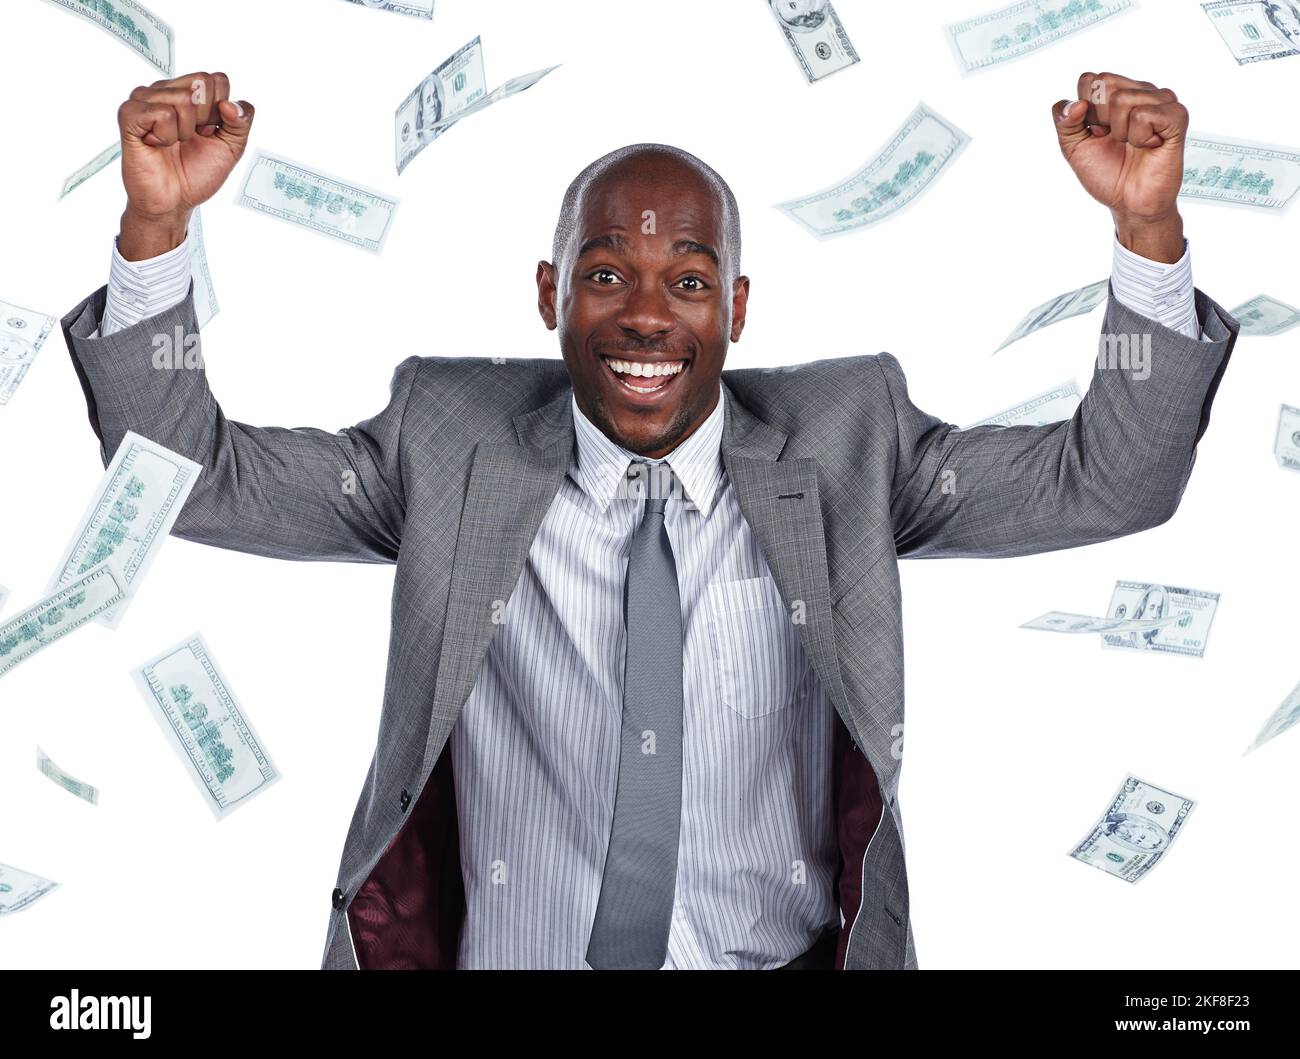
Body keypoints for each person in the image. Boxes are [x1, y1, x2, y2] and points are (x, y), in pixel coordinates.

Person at [60, 69, 1239, 970]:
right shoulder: (445, 438)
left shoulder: (849, 443)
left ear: (733, 307)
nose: (644, 317)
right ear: (548, 293)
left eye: (685, 280)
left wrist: (1145, 242)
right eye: (605, 273)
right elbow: (189, 479)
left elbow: (1116, 482)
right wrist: (157, 235)